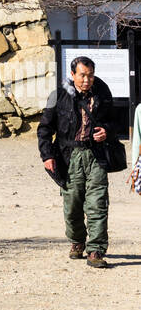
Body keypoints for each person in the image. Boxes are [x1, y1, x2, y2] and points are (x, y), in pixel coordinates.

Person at [37, 55, 117, 269]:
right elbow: (44, 129)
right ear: (73, 75)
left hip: (96, 156)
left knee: (97, 204)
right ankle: (77, 241)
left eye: (90, 75)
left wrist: (106, 131)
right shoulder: (59, 95)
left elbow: (114, 120)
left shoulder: (103, 91)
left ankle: (96, 249)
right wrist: (47, 156)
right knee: (72, 205)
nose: (86, 80)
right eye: (82, 75)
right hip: (68, 156)